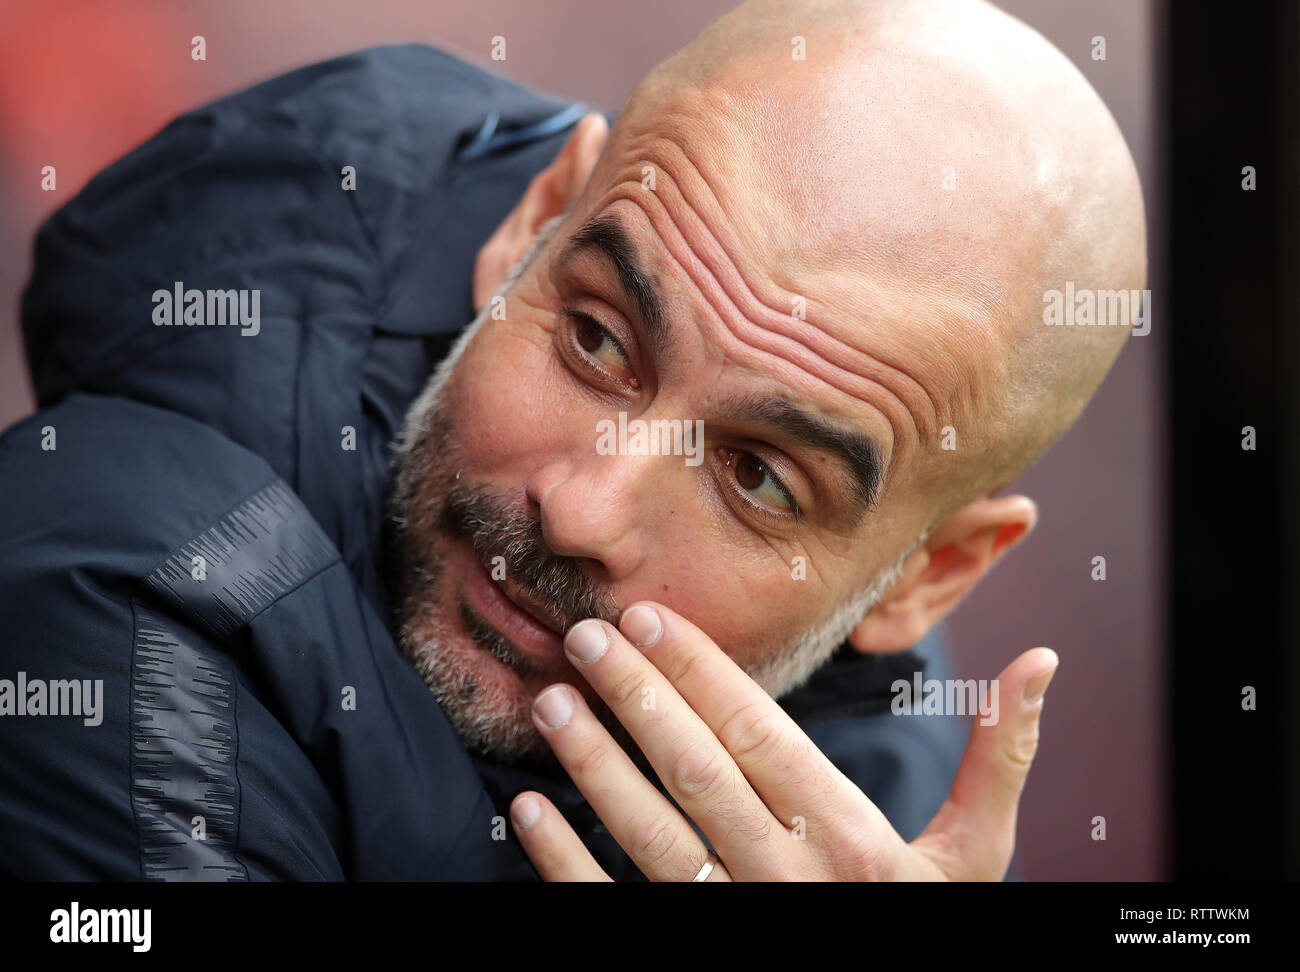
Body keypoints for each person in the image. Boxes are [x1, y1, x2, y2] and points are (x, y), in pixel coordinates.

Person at [0, 0, 1143, 881]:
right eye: (597, 342)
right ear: (534, 225)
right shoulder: (124, 596)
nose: (582, 512)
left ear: (920, 577)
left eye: (754, 478)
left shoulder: (883, 805)